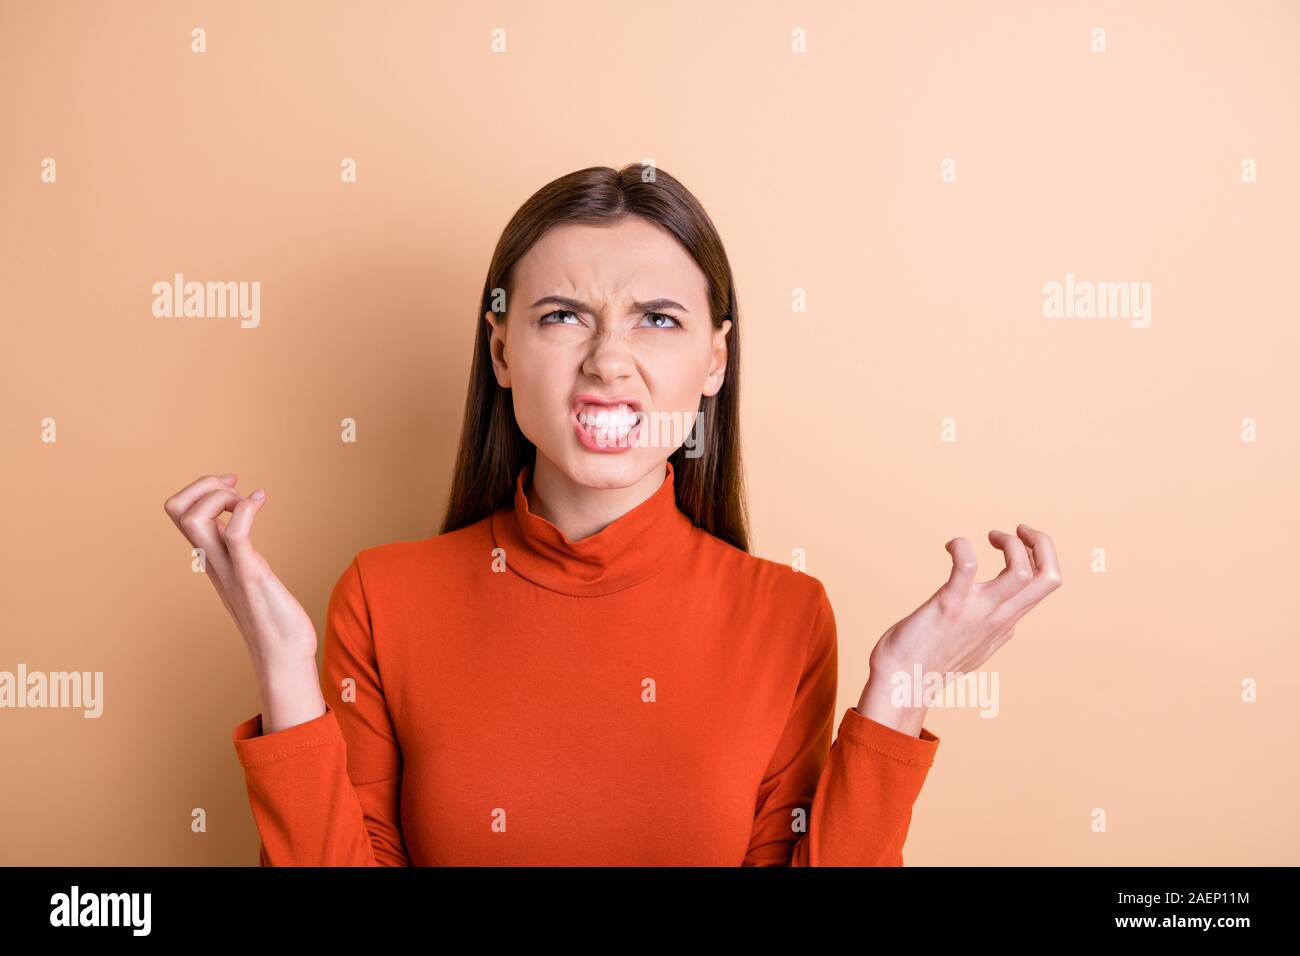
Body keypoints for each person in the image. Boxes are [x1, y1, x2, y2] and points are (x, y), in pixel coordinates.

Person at [163, 163, 1061, 866]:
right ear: (502, 348)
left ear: (714, 361)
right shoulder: (382, 596)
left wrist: (901, 693)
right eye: (562, 315)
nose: (608, 361)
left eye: (658, 320)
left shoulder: (786, 616)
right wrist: (284, 672)